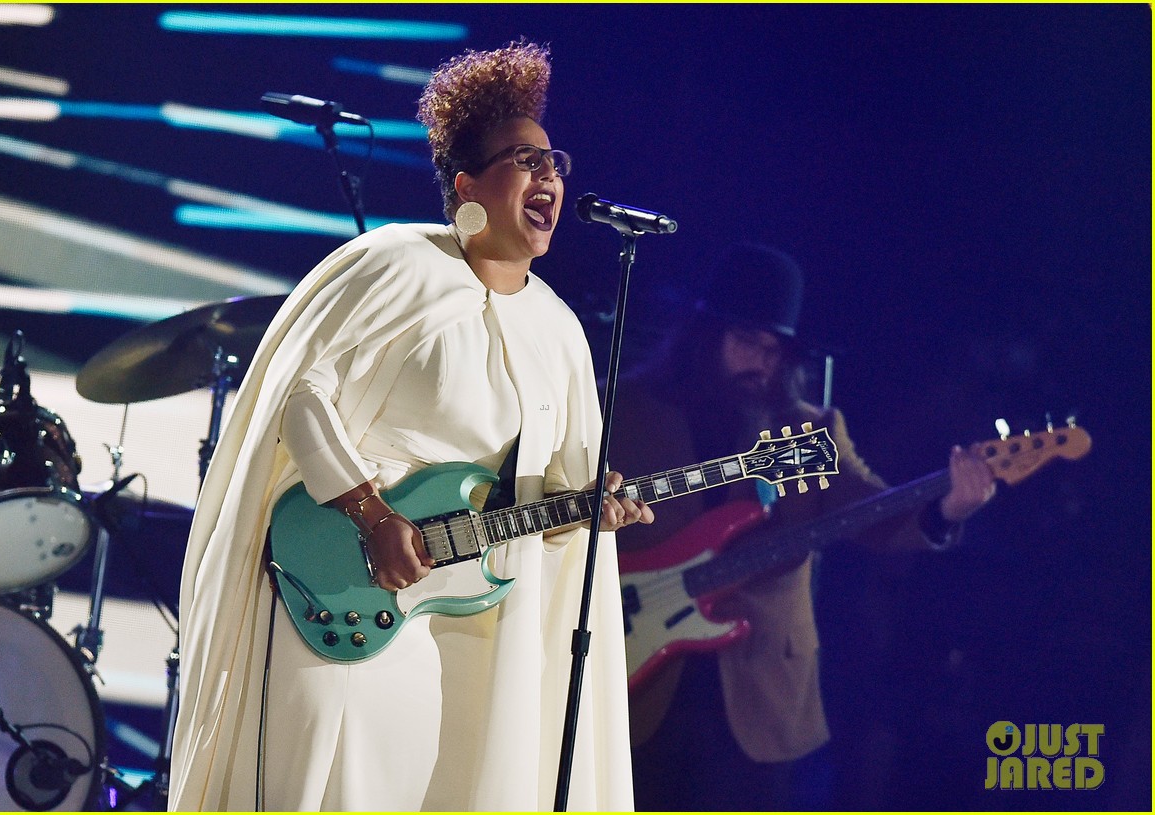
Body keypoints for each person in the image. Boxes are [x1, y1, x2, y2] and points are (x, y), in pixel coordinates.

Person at [167, 40, 652, 811]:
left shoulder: (557, 329)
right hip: (333, 578)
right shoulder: (400, 264)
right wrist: (372, 513)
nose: (548, 176)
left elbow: (534, 504)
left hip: (440, 612)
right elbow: (303, 397)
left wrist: (588, 511)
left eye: (553, 160)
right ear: (467, 185)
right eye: (524, 160)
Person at [608, 242, 996, 810]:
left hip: (758, 693)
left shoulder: (802, 434)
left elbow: (869, 511)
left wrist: (946, 511)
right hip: (635, 680)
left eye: (775, 350)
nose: (761, 364)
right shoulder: (629, 411)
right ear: (701, 336)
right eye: (746, 341)